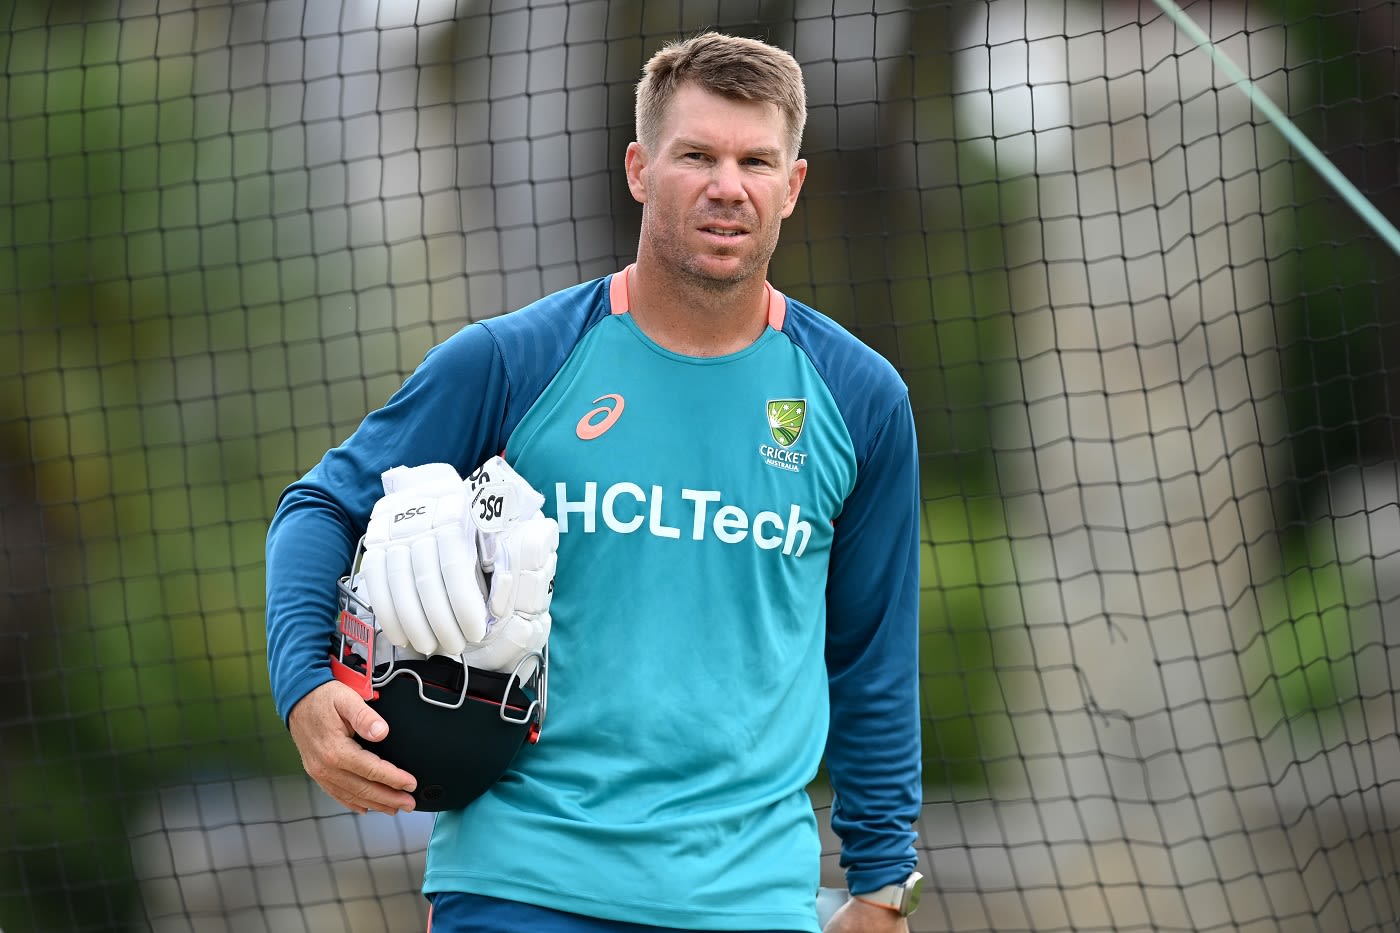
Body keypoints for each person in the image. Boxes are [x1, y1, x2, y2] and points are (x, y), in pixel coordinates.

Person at [265, 31, 923, 933]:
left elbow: (872, 654)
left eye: (754, 161)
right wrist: (305, 686)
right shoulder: (514, 360)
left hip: (748, 904)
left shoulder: (861, 398)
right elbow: (320, 505)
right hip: (518, 888)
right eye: (696, 155)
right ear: (639, 169)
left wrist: (884, 881)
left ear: (793, 186)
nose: (727, 185)